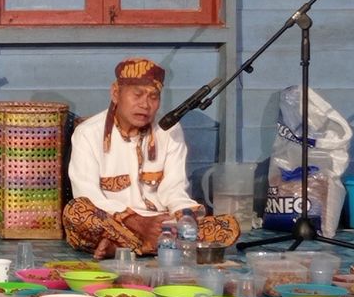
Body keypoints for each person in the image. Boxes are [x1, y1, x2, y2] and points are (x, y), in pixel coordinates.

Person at [62, 57, 239, 259]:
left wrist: (185, 215)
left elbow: (174, 189)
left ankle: (124, 248)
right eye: (137, 95)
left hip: (160, 226)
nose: (145, 104)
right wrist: (136, 222)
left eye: (153, 97)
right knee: (76, 212)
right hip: (114, 223)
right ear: (115, 93)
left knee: (226, 226)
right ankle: (149, 246)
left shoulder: (170, 130)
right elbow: (87, 195)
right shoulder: (88, 133)